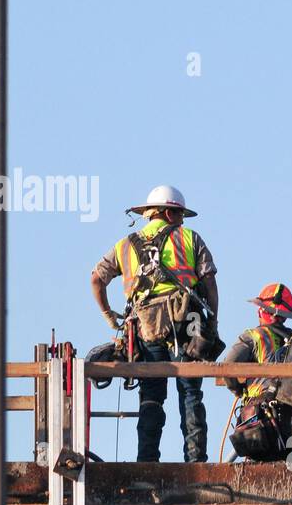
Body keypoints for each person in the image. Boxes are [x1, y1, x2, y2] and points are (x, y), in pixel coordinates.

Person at [90, 185, 218, 462]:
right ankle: (196, 462)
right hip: (188, 321)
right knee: (190, 390)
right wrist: (213, 324)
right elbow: (209, 282)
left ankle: (147, 462)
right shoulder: (190, 239)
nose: (182, 220)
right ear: (170, 213)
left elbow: (96, 279)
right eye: (181, 215)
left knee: (151, 393)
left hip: (145, 326)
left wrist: (109, 315)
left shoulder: (125, 245)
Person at [221, 284, 292, 461]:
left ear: (264, 311)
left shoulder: (253, 336)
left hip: (260, 421)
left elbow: (227, 368)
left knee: (256, 472)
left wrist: (239, 389)